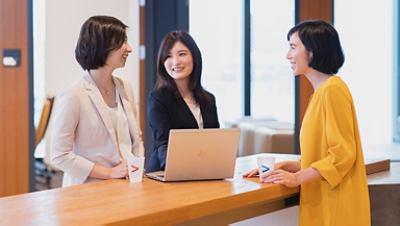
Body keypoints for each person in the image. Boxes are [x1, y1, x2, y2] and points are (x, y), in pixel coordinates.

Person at [244, 20, 371, 226]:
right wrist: (286, 166)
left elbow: (343, 154)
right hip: (325, 202)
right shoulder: (321, 93)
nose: (288, 56)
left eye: (293, 47)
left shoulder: (332, 90)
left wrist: (297, 178)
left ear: (312, 51)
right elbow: (322, 156)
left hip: (337, 208)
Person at [51, 16, 144, 187]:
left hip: (127, 185)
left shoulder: (125, 88)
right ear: (103, 46)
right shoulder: (74, 95)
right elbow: (60, 155)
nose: (129, 49)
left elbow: (136, 140)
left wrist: (136, 166)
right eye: (122, 42)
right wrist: (109, 173)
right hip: (88, 189)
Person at [146, 31, 220, 172]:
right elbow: (163, 144)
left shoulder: (208, 99)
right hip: (167, 173)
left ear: (194, 57)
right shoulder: (158, 98)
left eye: (182, 54)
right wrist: (177, 170)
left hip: (203, 171)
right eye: (168, 56)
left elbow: (214, 141)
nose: (175, 62)